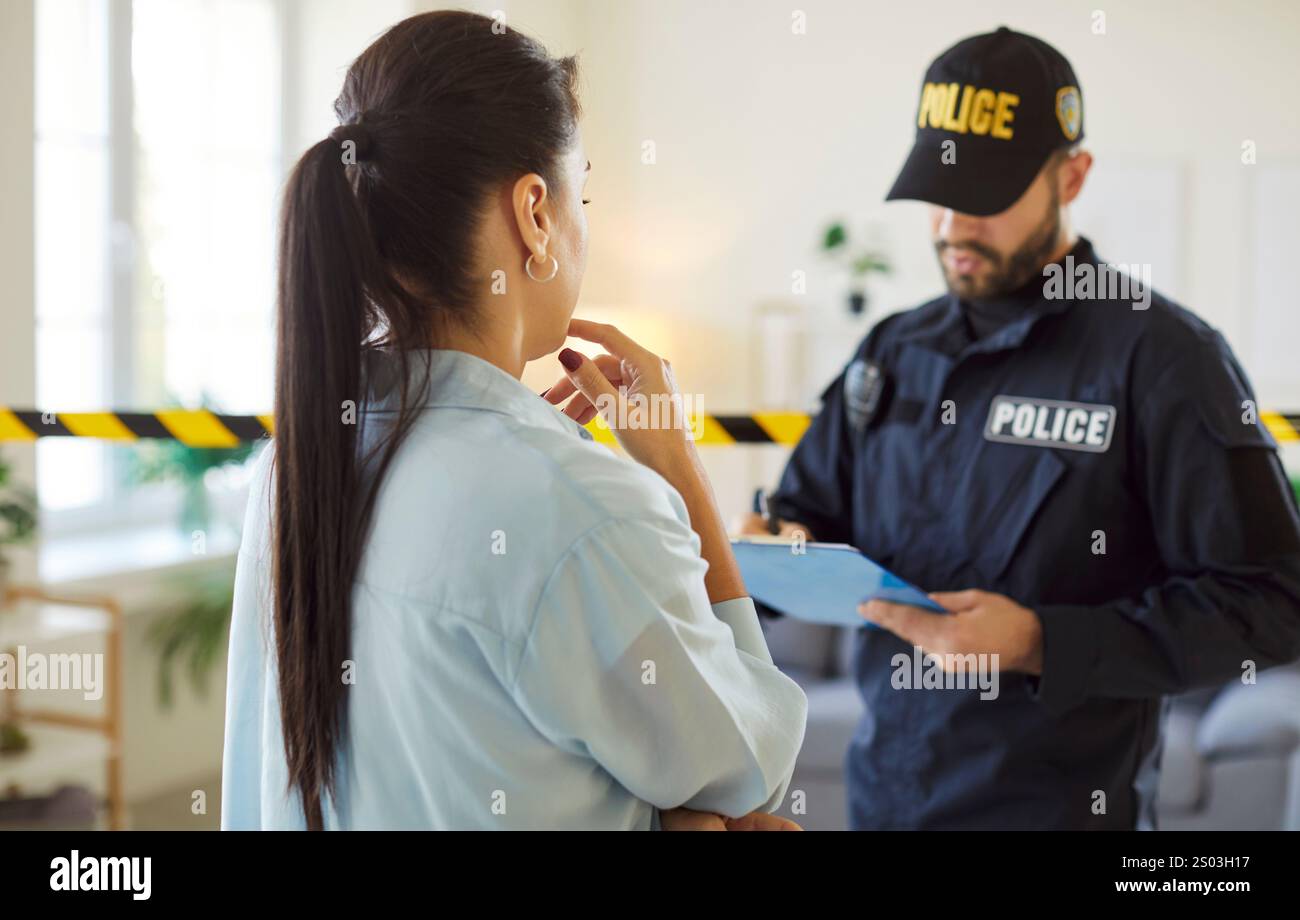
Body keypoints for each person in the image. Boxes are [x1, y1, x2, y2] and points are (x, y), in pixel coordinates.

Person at [221, 10, 806, 831]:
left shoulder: (295, 464)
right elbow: (750, 770)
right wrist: (677, 468)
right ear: (534, 213)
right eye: (585, 192)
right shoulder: (578, 508)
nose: (584, 222)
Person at [740, 26, 1300, 829]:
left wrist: (1044, 642)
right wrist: (771, 548)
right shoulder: (891, 351)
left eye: (987, 197)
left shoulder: (1165, 358)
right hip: (882, 804)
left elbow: (1273, 604)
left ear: (1073, 175)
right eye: (938, 192)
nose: (951, 227)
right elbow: (807, 520)